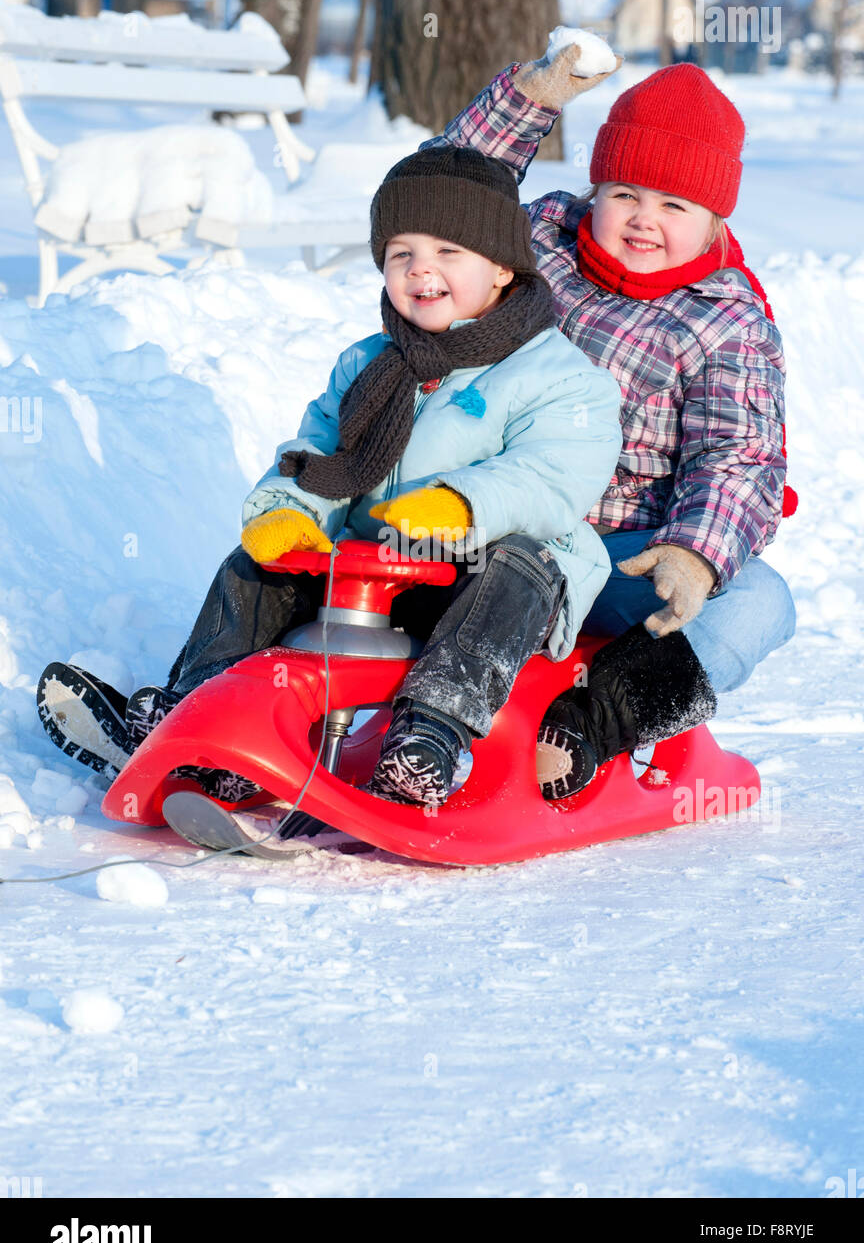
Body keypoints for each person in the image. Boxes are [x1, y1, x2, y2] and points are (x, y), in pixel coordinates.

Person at [37, 145, 621, 808]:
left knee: (513, 563)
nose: (420, 269)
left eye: (448, 251)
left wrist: (462, 506)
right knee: (259, 566)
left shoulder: (557, 375)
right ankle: (197, 716)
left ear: (502, 268)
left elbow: (552, 475)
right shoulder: (369, 364)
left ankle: (429, 738)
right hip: (377, 575)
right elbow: (318, 455)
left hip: (490, 585)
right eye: (401, 253)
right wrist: (290, 511)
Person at [420, 45, 796, 799]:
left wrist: (693, 555)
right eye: (626, 193)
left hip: (612, 555)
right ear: (596, 189)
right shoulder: (539, 245)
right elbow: (442, 200)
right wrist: (528, 100)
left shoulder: (727, 322)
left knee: (762, 601)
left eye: (674, 206)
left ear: (714, 221)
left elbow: (737, 457)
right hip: (485, 515)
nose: (644, 220)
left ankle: (594, 721)